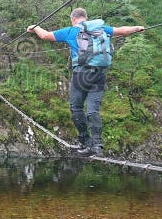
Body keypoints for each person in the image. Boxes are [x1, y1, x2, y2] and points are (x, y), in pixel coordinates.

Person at [26, 8, 144, 157]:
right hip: (100, 73)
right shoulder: (100, 29)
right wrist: (136, 28)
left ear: (73, 19)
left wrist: (35, 27)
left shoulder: (71, 31)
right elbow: (121, 31)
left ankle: (85, 142)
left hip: (82, 74)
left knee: (76, 107)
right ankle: (98, 146)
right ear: (86, 18)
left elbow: (44, 35)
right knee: (93, 110)